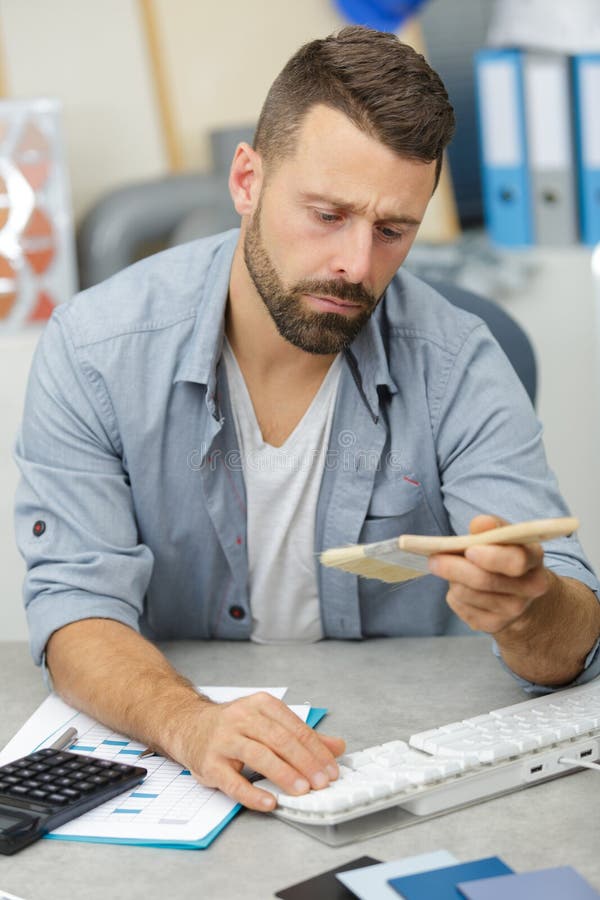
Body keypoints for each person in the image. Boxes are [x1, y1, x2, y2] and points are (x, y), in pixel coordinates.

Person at [15, 26, 600, 813]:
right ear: (247, 179)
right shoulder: (95, 351)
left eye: (392, 231)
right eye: (327, 214)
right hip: (179, 757)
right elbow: (75, 610)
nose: (357, 265)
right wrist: (188, 724)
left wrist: (530, 613)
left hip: (398, 763)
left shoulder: (459, 358)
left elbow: (569, 632)